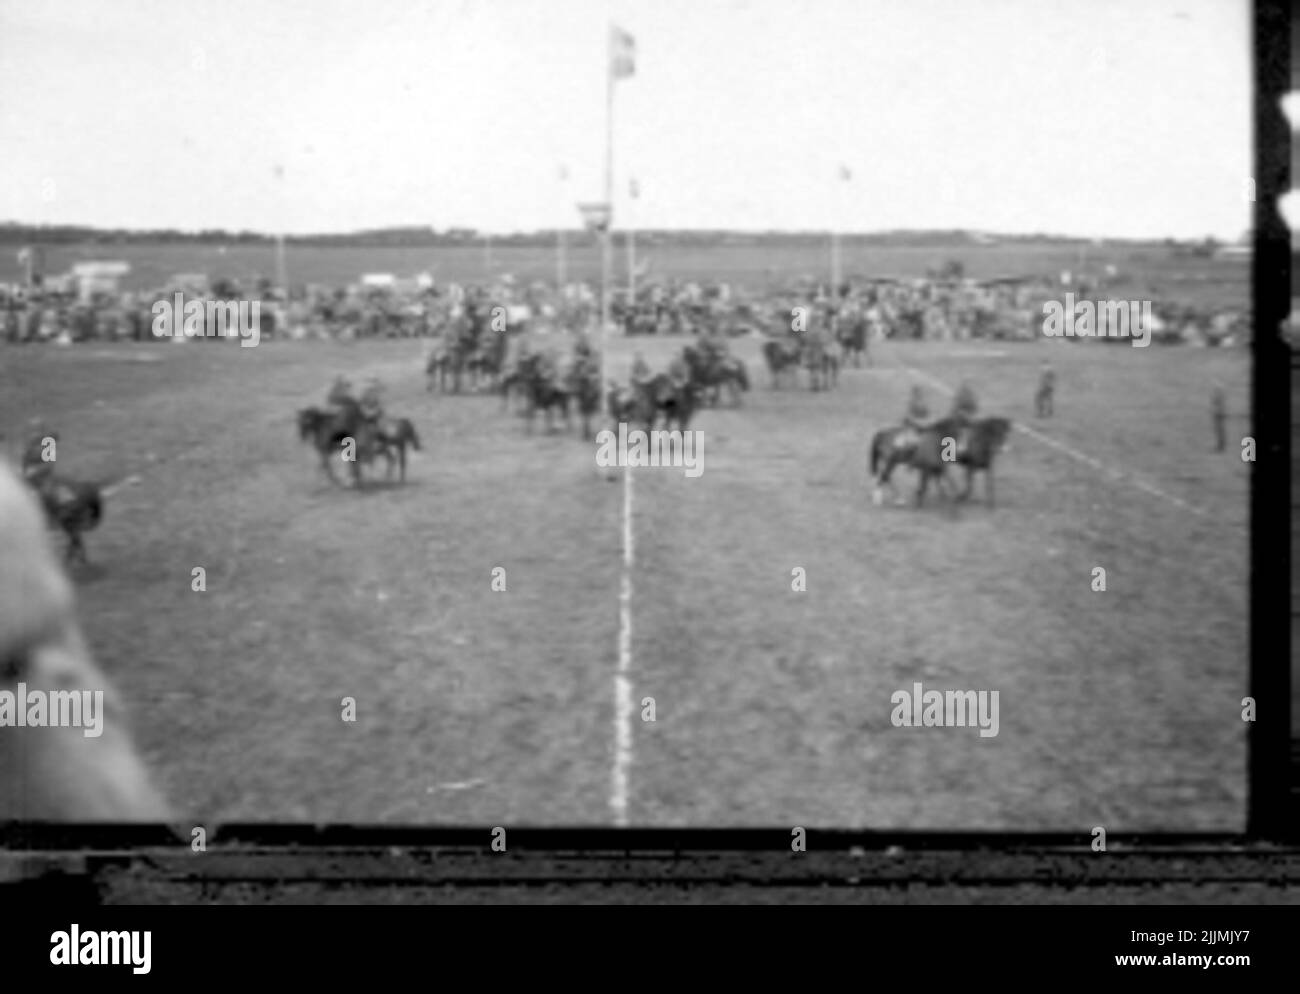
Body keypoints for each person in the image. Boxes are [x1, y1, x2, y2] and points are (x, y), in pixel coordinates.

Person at [950, 380, 978, 457]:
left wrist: (969, 415)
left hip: (966, 419)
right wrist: (962, 414)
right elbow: (954, 410)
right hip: (959, 420)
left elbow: (974, 408)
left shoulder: (971, 396)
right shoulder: (960, 396)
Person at [1211, 382, 1227, 452]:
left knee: (1219, 430)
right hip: (1219, 414)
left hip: (1219, 414)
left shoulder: (1219, 397)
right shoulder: (1220, 397)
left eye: (1216, 390)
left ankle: (1220, 446)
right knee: (1219, 430)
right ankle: (1220, 446)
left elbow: (1217, 405)